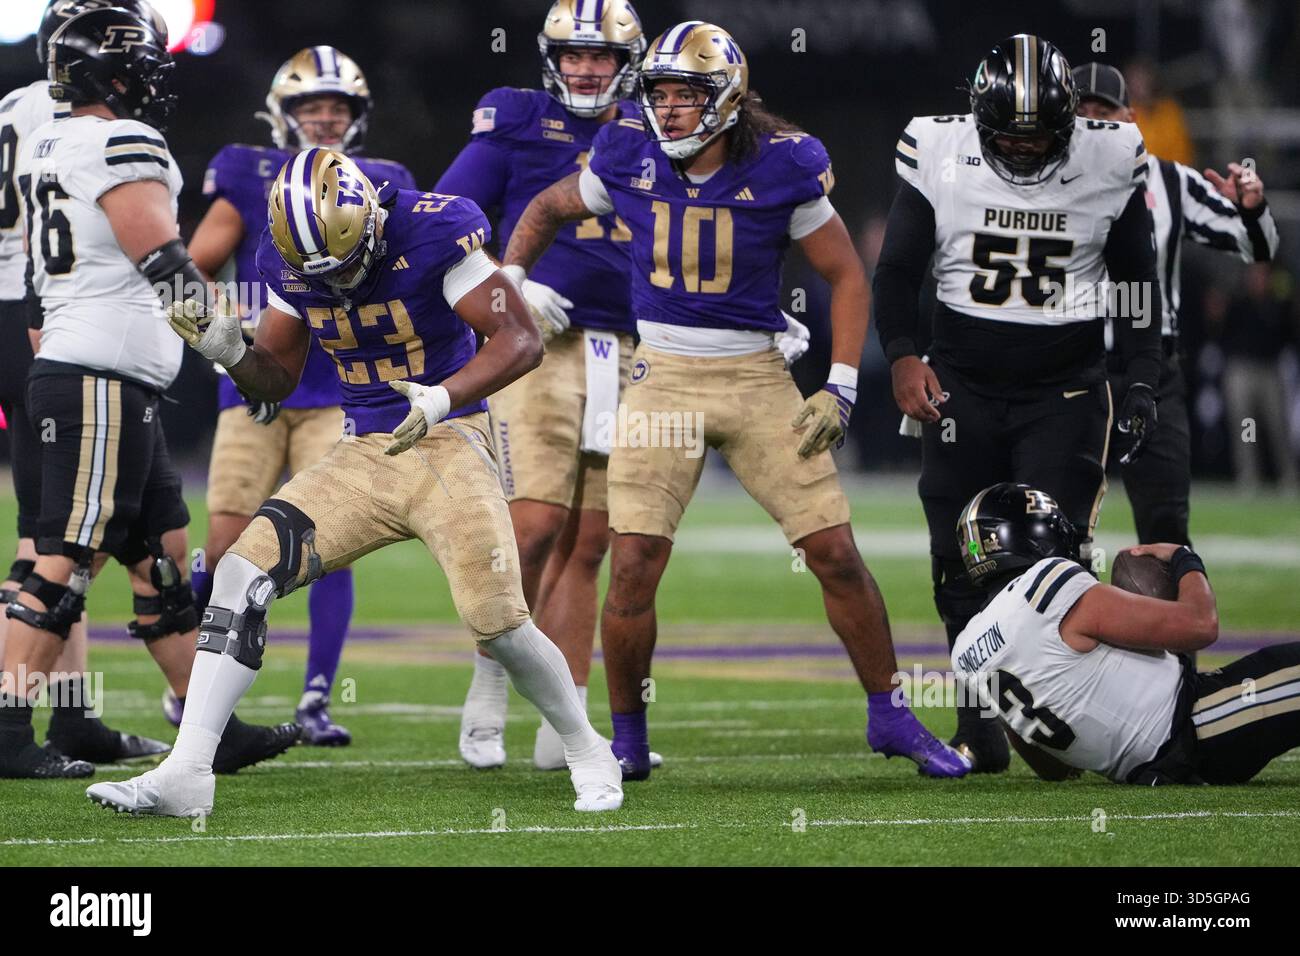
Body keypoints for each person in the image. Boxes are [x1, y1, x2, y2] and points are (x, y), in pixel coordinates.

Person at [87, 151, 624, 816]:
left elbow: (519, 340)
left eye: (345, 262)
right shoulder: (288, 259)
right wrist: (229, 351)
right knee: (239, 573)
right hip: (362, 453)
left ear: (370, 220)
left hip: (448, 444)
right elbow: (278, 377)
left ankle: (585, 748)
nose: (336, 282)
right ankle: (189, 770)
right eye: (322, 273)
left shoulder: (433, 232)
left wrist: (441, 398)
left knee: (498, 623)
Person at [500, 20, 969, 780]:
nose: (670, 110)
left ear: (726, 99)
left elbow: (849, 275)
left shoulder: (784, 165)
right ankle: (628, 738)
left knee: (835, 553)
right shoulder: (627, 152)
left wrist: (841, 384)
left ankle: (890, 714)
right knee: (635, 564)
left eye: (687, 95)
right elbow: (548, 209)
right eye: (660, 94)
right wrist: (511, 282)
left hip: (755, 379)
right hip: (661, 379)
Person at [4, 6, 298, 780]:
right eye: (142, 61)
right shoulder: (121, 140)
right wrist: (242, 360)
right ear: (111, 70)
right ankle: (3, 727)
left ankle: (211, 726)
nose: (158, 75)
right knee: (61, 558)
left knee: (162, 556)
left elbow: (37, 278)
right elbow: (168, 271)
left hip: (98, 372)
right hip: (100, 376)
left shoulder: (49, 139)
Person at [872, 34, 1165, 772]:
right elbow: (898, 267)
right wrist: (904, 355)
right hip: (960, 384)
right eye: (1009, 133)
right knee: (957, 556)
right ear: (978, 118)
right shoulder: (938, 149)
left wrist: (1140, 376)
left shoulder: (1111, 154)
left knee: (1049, 559)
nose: (1025, 149)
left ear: (1069, 123)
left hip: (1063, 389)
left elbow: (1136, 282)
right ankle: (982, 722)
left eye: (1040, 135)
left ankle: (1061, 718)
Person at [434, 0, 665, 771]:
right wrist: (507, 283)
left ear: (627, 61)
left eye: (600, 56)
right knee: (531, 526)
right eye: (573, 55)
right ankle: (489, 683)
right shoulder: (517, 118)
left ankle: (564, 723)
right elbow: (445, 214)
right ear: (551, 58)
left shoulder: (658, 122)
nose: (586, 68)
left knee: (590, 540)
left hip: (632, 348)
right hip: (538, 348)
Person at [179, 46, 417, 744]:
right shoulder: (249, 169)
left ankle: (317, 697)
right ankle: (193, 691)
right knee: (225, 549)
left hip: (337, 387)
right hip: (256, 388)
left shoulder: (383, 179)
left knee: (326, 544)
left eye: (336, 108)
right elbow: (192, 264)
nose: (322, 119)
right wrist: (226, 328)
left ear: (357, 117)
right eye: (310, 107)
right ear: (282, 115)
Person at [0, 0, 174, 767]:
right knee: (57, 542)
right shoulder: (91, 122)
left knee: (113, 534)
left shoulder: (17, 106)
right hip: (55, 316)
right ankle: (22, 719)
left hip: (42, 313)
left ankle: (71, 717)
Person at [950, 482, 1300, 785]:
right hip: (1202, 721)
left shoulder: (966, 651)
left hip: (1146, 771)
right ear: (1035, 534)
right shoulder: (1046, 585)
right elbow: (1201, 625)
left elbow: (1053, 769)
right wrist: (1184, 558)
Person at [1072, 62, 1281, 542]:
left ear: (1130, 118)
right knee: (1058, 522)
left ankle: (1167, 617)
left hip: (1153, 372)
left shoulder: (1169, 182)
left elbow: (1259, 248)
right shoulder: (1040, 180)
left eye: (1103, 109)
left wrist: (1251, 210)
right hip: (1070, 370)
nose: (1091, 121)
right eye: (1080, 110)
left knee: (1166, 528)